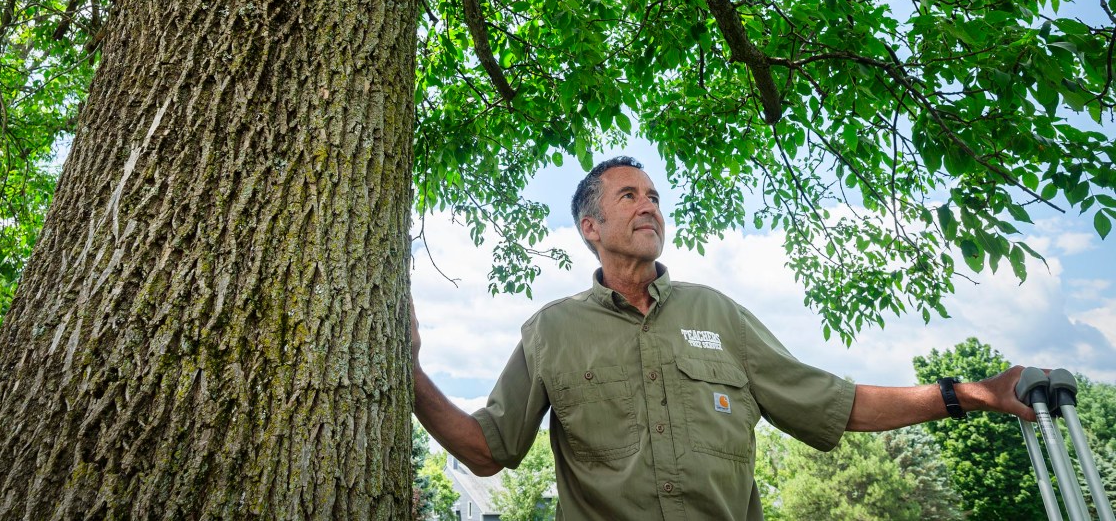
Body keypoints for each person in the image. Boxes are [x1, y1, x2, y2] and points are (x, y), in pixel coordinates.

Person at [412, 156, 1039, 520]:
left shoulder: (718, 314)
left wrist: (968, 394)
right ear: (589, 227)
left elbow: (834, 403)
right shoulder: (551, 331)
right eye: (629, 196)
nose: (650, 206)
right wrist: (405, 371)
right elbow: (487, 450)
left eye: (654, 196)